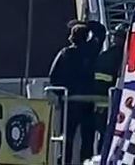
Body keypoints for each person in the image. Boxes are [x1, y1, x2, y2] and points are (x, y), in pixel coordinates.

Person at [49, 20, 106, 165]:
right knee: (87, 139)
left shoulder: (65, 54)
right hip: (87, 103)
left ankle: (64, 163)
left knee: (67, 138)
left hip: (70, 102)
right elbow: (101, 31)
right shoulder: (91, 51)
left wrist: (62, 94)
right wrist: (87, 24)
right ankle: (85, 162)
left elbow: (53, 76)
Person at [91, 24, 127, 150]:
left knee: (106, 137)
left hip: (106, 106)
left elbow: (98, 83)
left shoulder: (106, 57)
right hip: (118, 106)